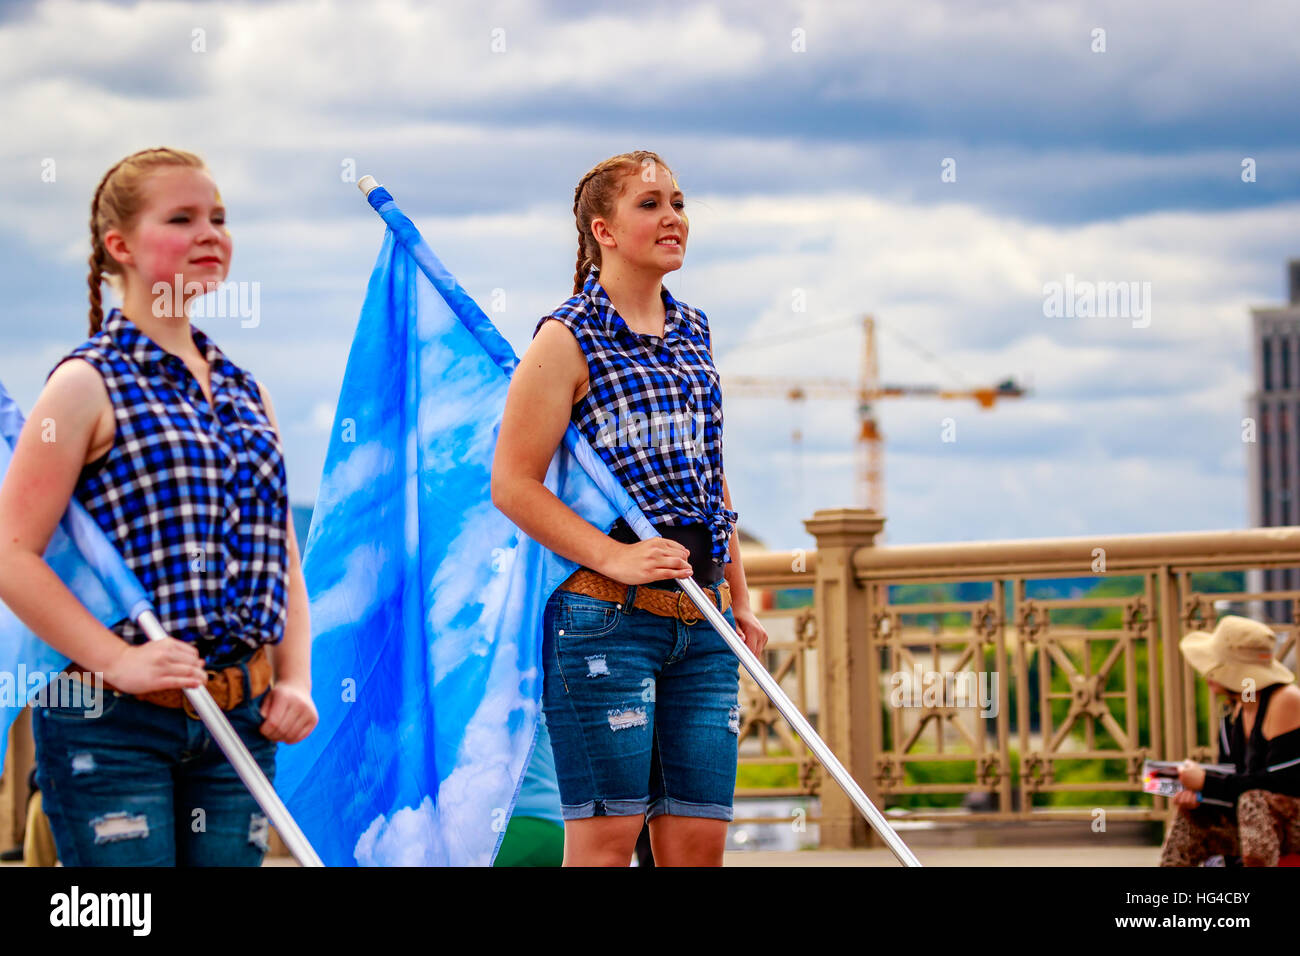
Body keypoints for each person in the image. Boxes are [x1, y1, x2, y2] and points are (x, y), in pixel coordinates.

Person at [0, 147, 317, 866]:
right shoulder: (85, 386)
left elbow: (281, 556)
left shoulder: (246, 391)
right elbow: (12, 554)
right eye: (182, 218)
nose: (211, 234)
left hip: (240, 716)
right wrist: (120, 661)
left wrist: (295, 676)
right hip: (112, 724)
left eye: (220, 218)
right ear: (121, 246)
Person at [491, 150, 768, 867]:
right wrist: (615, 555)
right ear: (603, 230)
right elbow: (513, 483)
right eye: (650, 204)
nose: (672, 217)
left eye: (678, 202)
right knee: (608, 845)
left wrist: (737, 597)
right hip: (604, 617)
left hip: (702, 619)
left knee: (697, 849)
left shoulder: (695, 330)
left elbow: (712, 473)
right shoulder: (565, 337)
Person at [1159, 615, 1300, 866]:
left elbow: (1283, 782)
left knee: (1253, 800)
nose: (1207, 674)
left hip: (1288, 823)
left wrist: (1207, 782)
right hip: (1253, 827)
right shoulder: (1233, 711)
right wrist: (1197, 791)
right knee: (1191, 814)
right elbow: (1233, 778)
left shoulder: (1286, 700)